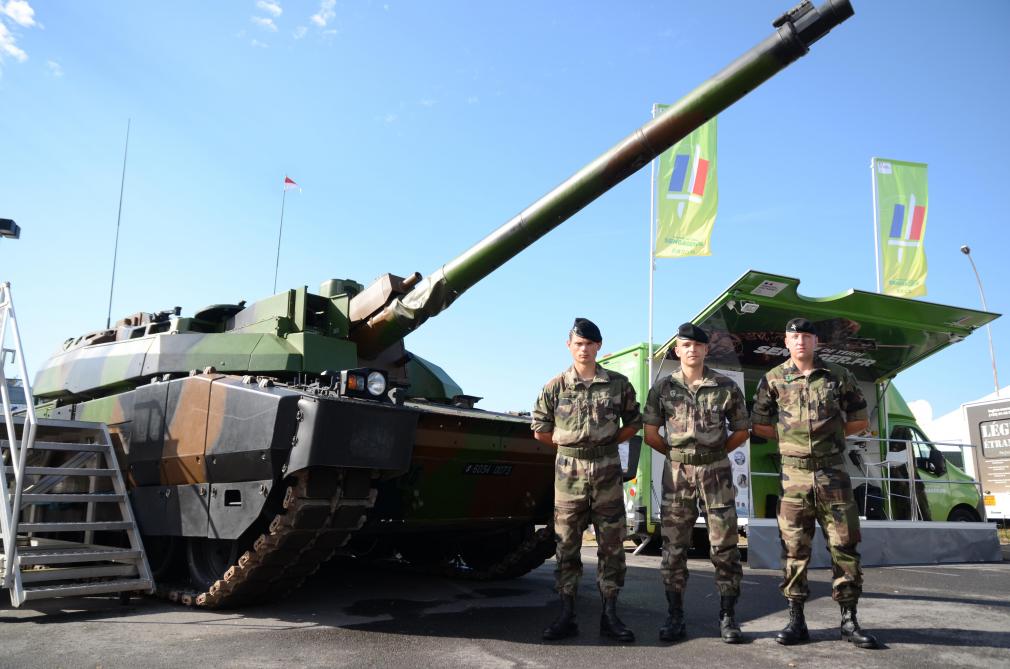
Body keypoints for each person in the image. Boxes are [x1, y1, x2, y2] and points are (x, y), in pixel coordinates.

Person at [751, 317, 879, 649]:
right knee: (794, 549)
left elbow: (860, 419)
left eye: (807, 336)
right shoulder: (774, 379)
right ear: (787, 341)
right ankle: (796, 620)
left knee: (845, 546)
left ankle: (849, 621)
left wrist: (831, 436)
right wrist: (791, 441)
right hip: (793, 478)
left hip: (833, 474)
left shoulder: (837, 376)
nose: (801, 342)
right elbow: (761, 424)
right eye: (795, 336)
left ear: (815, 342)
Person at [531, 317, 642, 643]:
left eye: (589, 344)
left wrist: (606, 443)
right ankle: (567, 613)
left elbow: (634, 421)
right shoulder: (555, 387)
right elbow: (540, 430)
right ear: (570, 346)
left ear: (598, 346)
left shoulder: (618, 384)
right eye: (578, 344)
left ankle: (610, 614)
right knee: (567, 545)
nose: (584, 349)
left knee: (612, 545)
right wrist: (570, 445)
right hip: (568, 475)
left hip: (607, 472)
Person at [642, 323, 750, 644]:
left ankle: (728, 617)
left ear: (706, 350)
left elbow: (742, 431)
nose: (691, 350)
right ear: (677, 350)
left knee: (725, 545)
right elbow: (651, 435)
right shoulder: (662, 389)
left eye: (697, 345)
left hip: (716, 473)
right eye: (685, 345)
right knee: (674, 548)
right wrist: (679, 457)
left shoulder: (725, 386)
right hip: (677, 476)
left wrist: (714, 455)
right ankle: (675, 616)